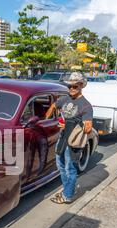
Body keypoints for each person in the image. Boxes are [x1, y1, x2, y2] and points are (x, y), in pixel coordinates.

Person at [45, 72, 93, 204]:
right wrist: (48, 117)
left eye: (75, 86)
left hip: (73, 142)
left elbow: (88, 128)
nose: (71, 88)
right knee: (60, 166)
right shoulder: (65, 99)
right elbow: (54, 105)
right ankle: (68, 189)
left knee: (69, 168)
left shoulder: (86, 105)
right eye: (69, 86)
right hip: (62, 139)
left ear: (81, 86)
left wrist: (71, 123)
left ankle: (67, 196)